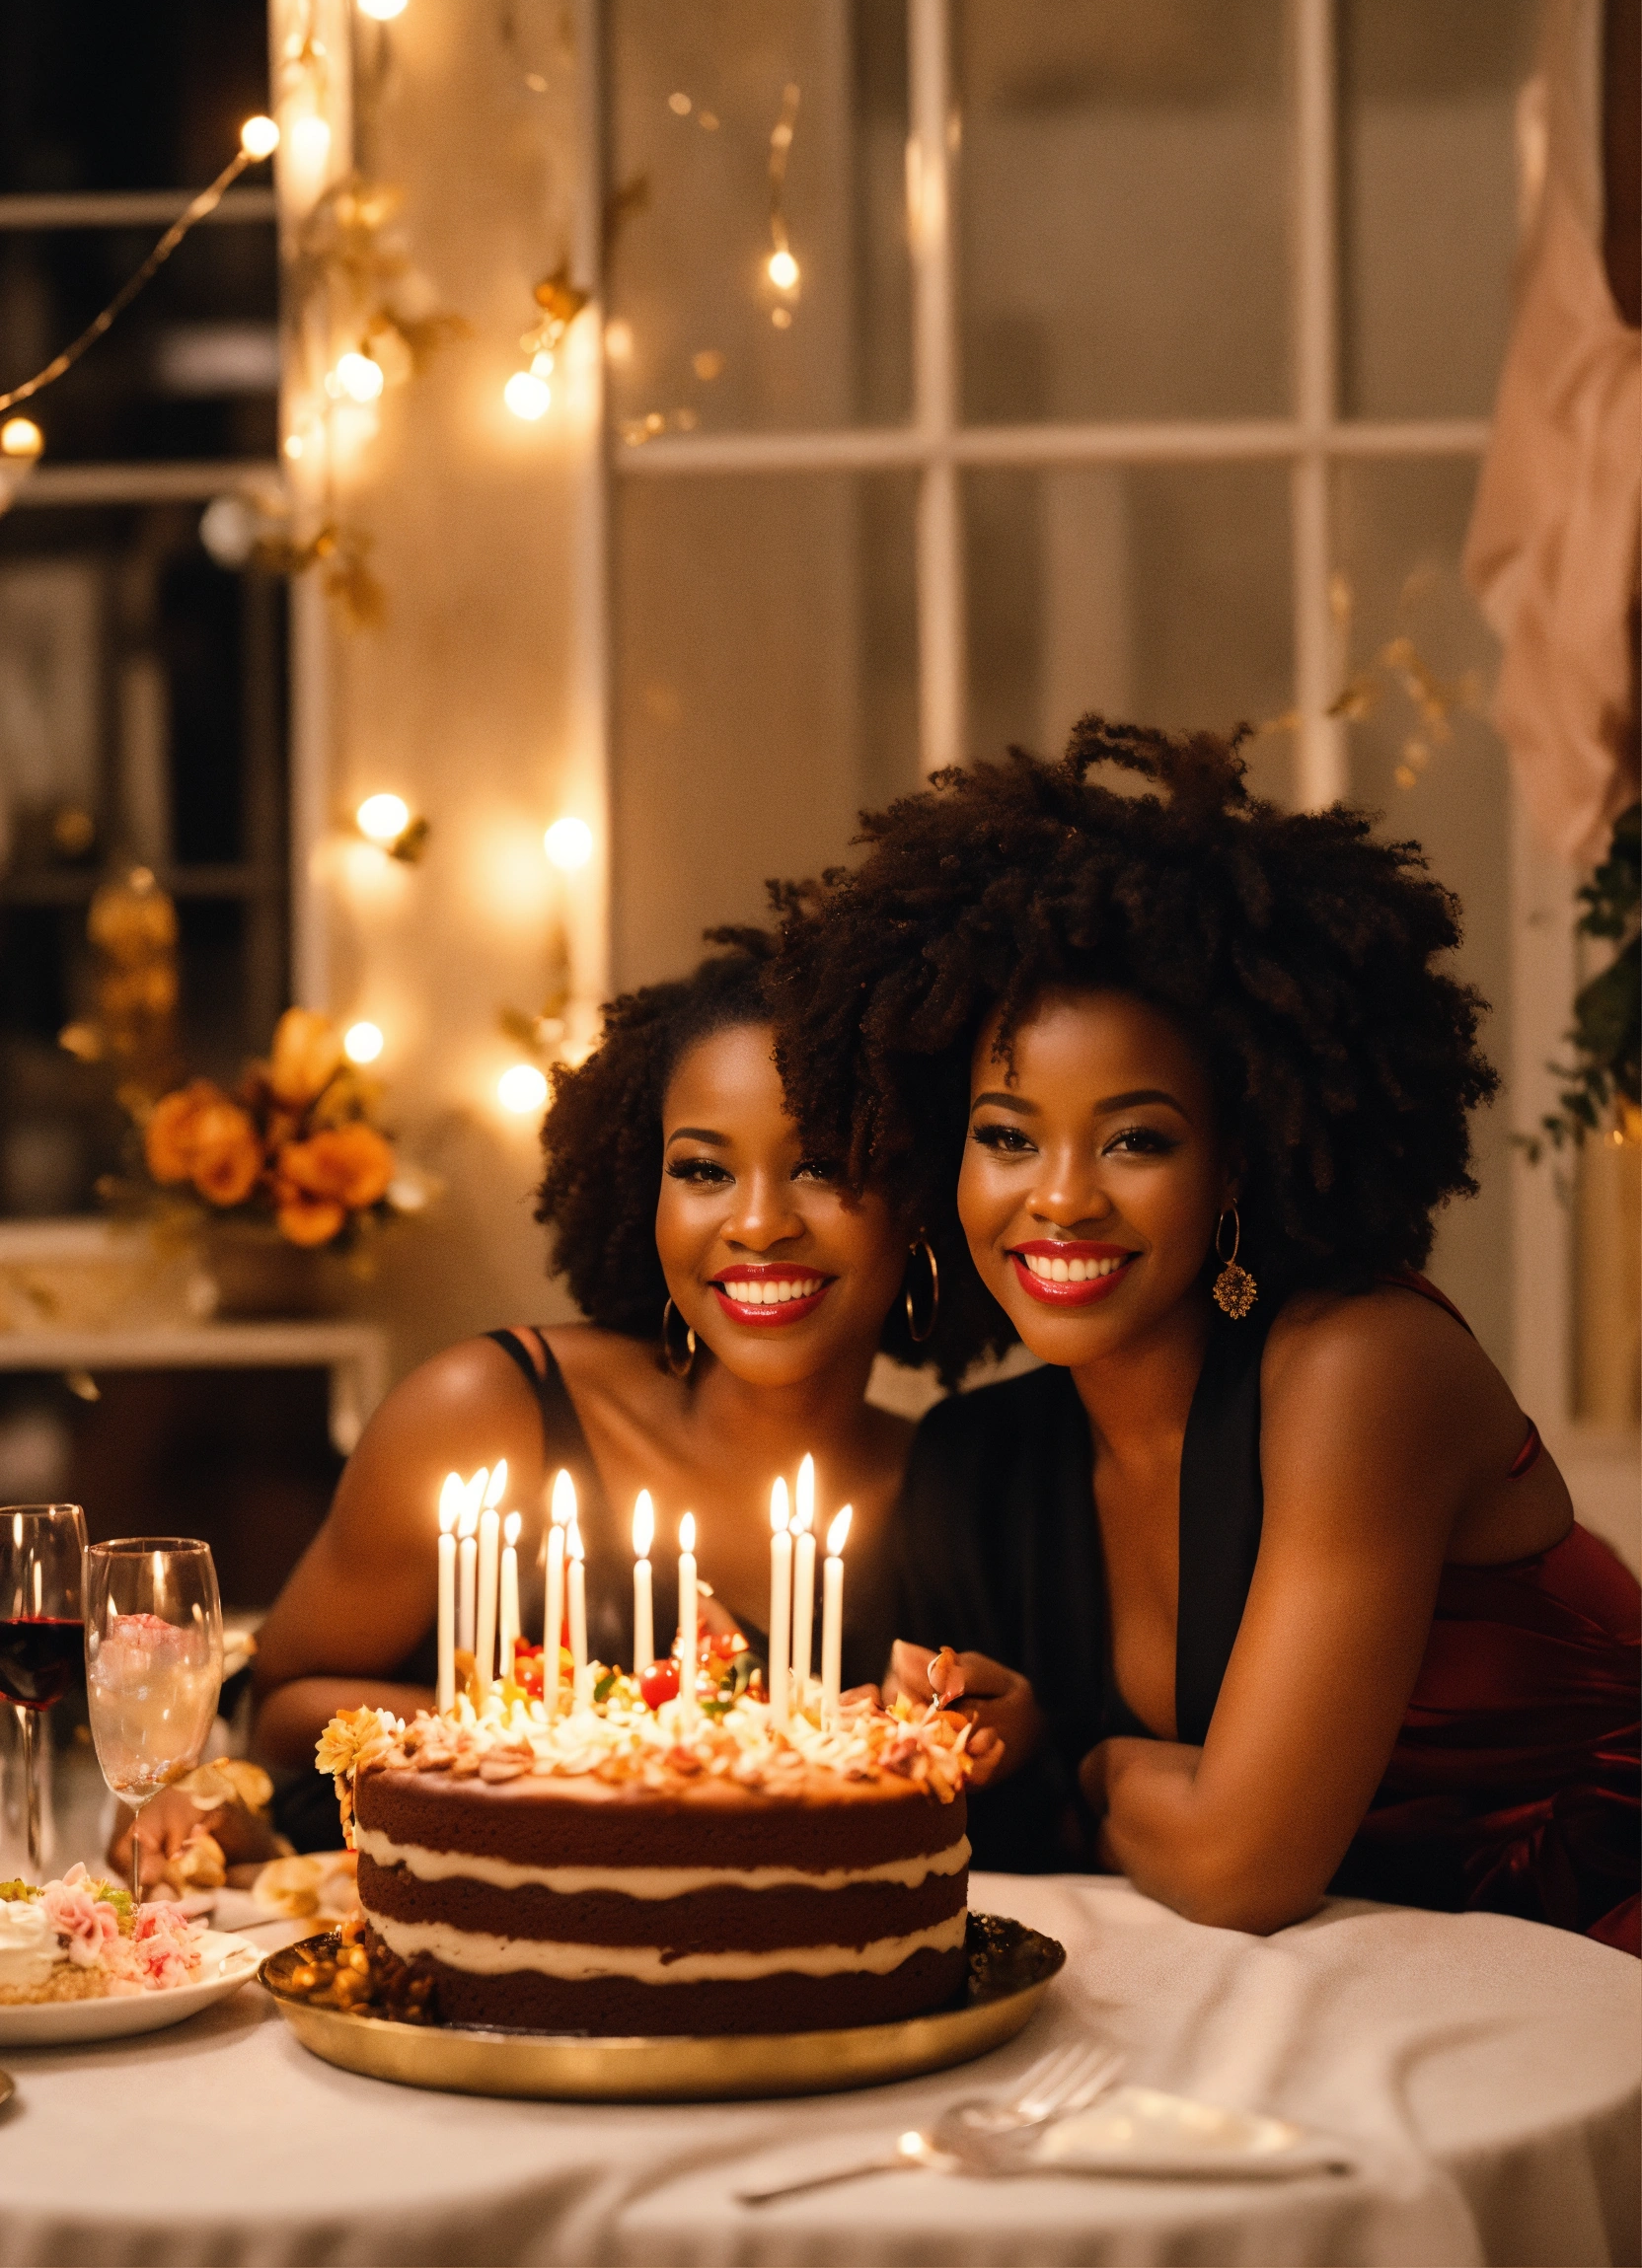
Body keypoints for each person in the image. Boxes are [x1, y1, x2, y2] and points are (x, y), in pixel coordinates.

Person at [771, 718, 1640, 1951]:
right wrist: (1012, 1741)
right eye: (1007, 1135)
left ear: (1234, 1162)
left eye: (1134, 1138)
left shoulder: (1360, 1369)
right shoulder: (985, 1463)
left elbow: (1239, 1870)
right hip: (1363, 2000)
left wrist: (1081, 1770)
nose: (1059, 1197)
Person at [111, 935, 1005, 1885]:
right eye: (702, 1169)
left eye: (821, 1164)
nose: (756, 1222)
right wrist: (569, 1735)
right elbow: (283, 1709)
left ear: (919, 1201)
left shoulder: (964, 1489)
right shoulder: (490, 1411)